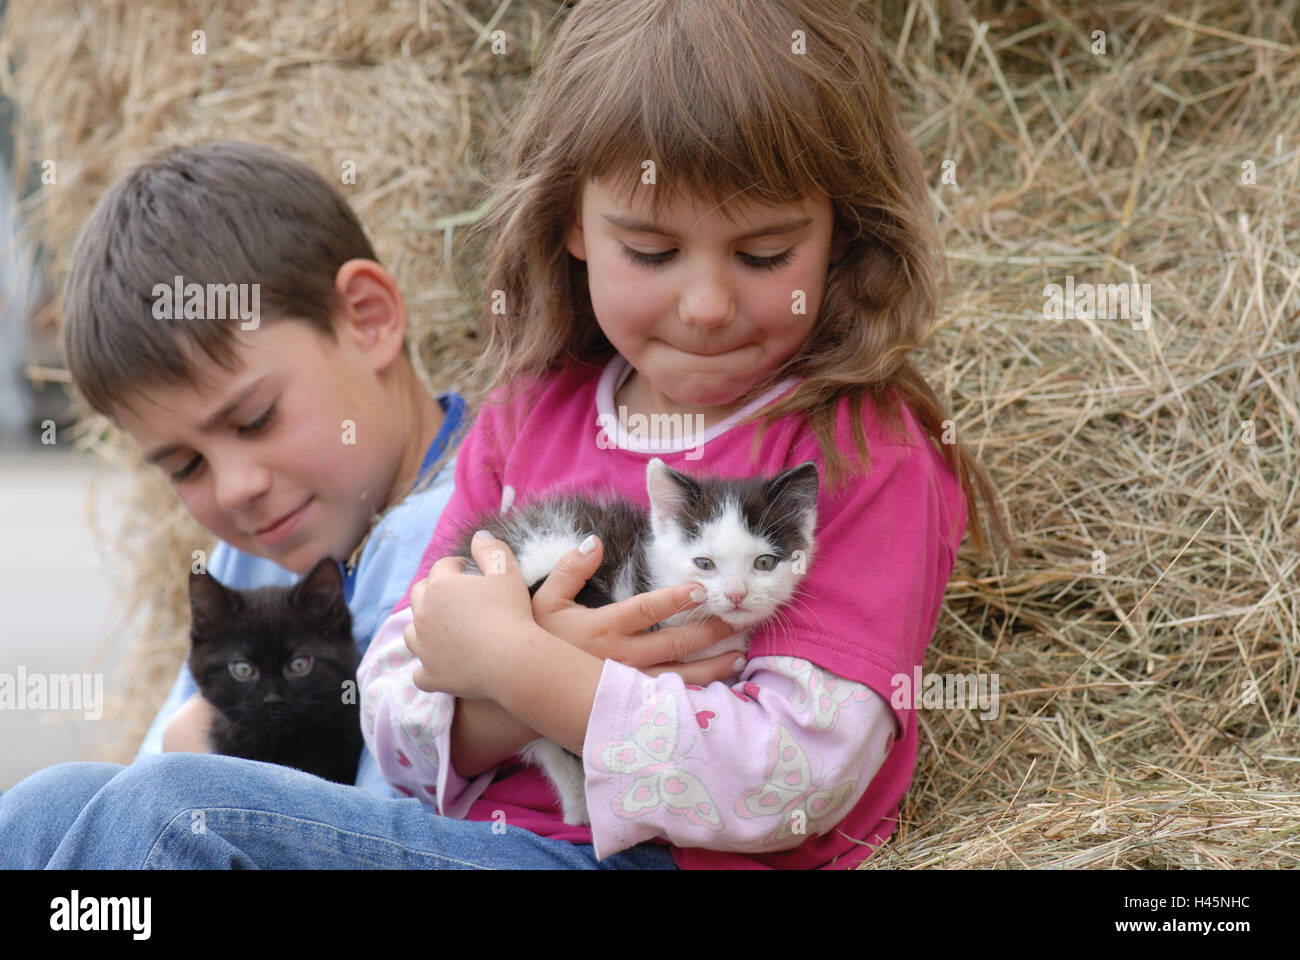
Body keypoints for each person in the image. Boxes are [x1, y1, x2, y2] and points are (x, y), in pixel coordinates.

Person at [0, 0, 1014, 869]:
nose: (706, 303)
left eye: (762, 250)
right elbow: (393, 720)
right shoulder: (535, 411)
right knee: (41, 812)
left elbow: (790, 783)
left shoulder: (856, 452)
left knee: (172, 817)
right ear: (573, 224)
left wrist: (527, 670)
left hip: (651, 864)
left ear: (843, 230)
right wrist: (491, 682)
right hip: (473, 842)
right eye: (652, 249)